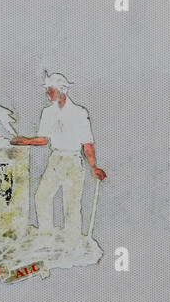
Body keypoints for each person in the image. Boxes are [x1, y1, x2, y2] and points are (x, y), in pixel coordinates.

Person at [12, 72, 105, 244]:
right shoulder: (48, 112)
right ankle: (46, 235)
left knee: (71, 203)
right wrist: (26, 141)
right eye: (48, 90)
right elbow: (43, 140)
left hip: (73, 161)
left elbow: (87, 144)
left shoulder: (79, 113)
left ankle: (72, 241)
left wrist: (93, 167)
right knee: (42, 196)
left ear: (62, 90)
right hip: (56, 159)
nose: (48, 93)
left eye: (51, 90)